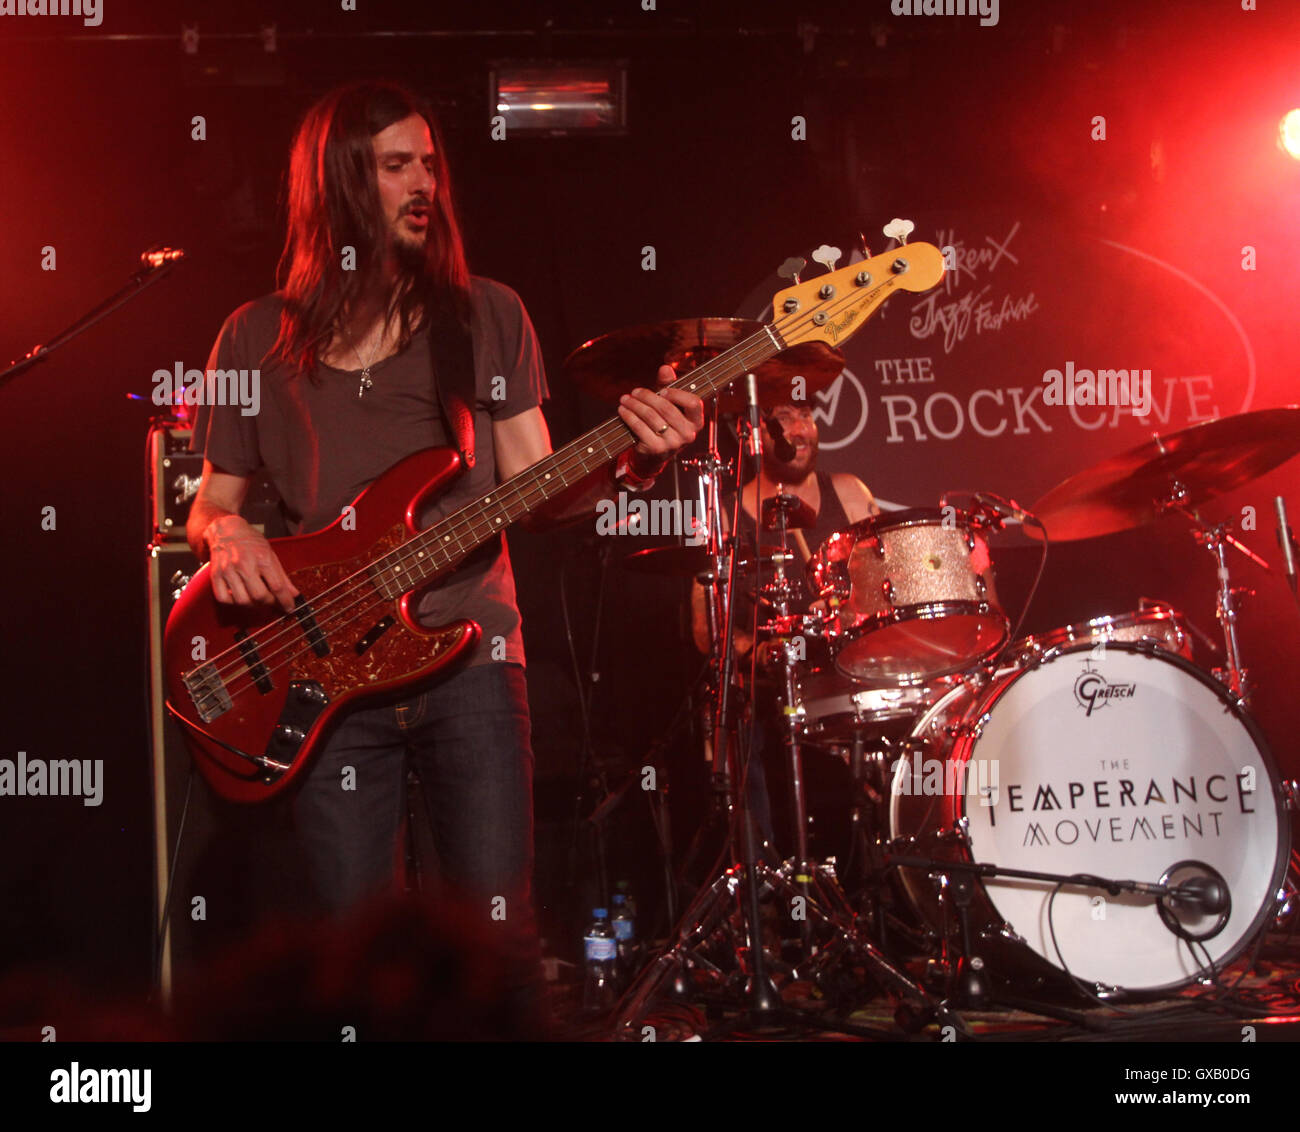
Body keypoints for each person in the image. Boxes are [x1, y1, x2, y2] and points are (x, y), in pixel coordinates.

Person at [185, 80, 703, 996]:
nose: (426, 183)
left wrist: (631, 460)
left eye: (431, 162)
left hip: (471, 658)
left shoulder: (486, 315)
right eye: (396, 166)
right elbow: (209, 503)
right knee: (354, 958)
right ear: (340, 183)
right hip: (326, 676)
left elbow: (539, 490)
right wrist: (227, 533)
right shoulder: (251, 336)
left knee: (496, 947)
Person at [689, 400, 878, 856]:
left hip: (851, 676)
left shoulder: (849, 493)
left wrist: (854, 612)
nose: (800, 430)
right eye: (786, 417)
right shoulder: (726, 516)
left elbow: (880, 590)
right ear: (754, 432)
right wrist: (759, 650)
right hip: (773, 689)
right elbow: (705, 629)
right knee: (737, 720)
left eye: (806, 417)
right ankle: (767, 886)